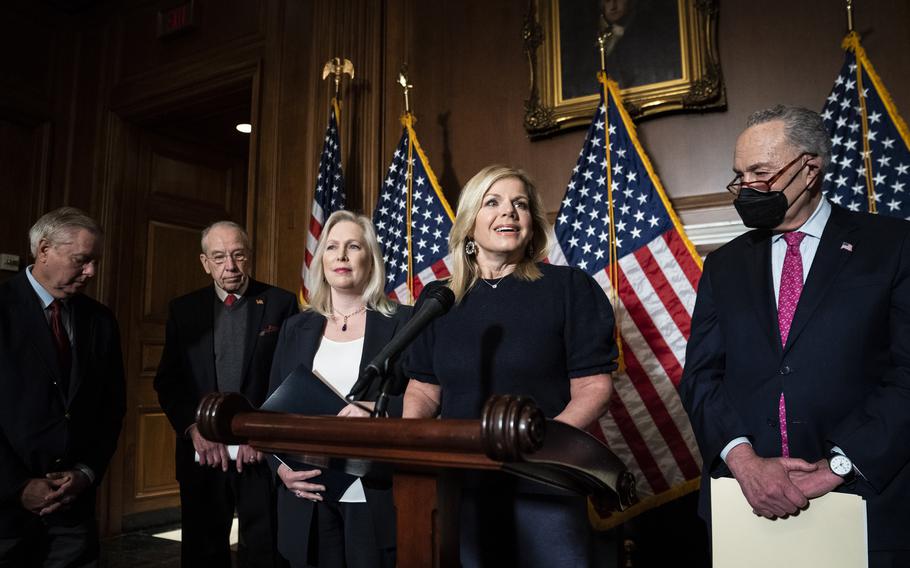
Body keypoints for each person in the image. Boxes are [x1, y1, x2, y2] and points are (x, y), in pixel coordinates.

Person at [679, 105, 910, 567]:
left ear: (809, 168)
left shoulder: (893, 245)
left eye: (760, 172)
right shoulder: (723, 266)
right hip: (747, 508)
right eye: (739, 175)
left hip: (868, 501)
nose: (746, 187)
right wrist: (743, 462)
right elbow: (702, 377)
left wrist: (839, 466)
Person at [402, 165, 617, 567]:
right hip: (462, 486)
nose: (509, 213)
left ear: (532, 222)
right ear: (469, 224)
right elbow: (422, 389)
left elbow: (594, 389)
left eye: (520, 204)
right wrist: (420, 447)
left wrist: (542, 446)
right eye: (493, 202)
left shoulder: (569, 289)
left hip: (545, 482)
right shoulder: (438, 299)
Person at [266, 210, 410, 568]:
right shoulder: (295, 327)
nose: (341, 255)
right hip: (308, 494)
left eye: (353, 246)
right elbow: (267, 414)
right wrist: (281, 470)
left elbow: (428, 398)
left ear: (371, 259)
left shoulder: (403, 323)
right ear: (322, 260)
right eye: (331, 247)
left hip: (374, 493)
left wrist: (379, 411)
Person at [154, 220, 298, 567]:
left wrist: (260, 435)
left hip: (259, 453)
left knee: (264, 550)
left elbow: (291, 379)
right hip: (204, 451)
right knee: (203, 551)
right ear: (205, 262)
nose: (229, 266)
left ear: (249, 256)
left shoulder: (280, 303)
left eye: (237, 255)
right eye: (218, 258)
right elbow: (169, 381)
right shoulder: (184, 310)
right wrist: (194, 429)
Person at [0, 207, 126, 566]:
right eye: (81, 260)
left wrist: (86, 473)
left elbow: (111, 408)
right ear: (43, 250)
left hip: (74, 514)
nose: (91, 272)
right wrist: (18, 487)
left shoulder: (100, 320)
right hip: (7, 515)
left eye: (94, 261)